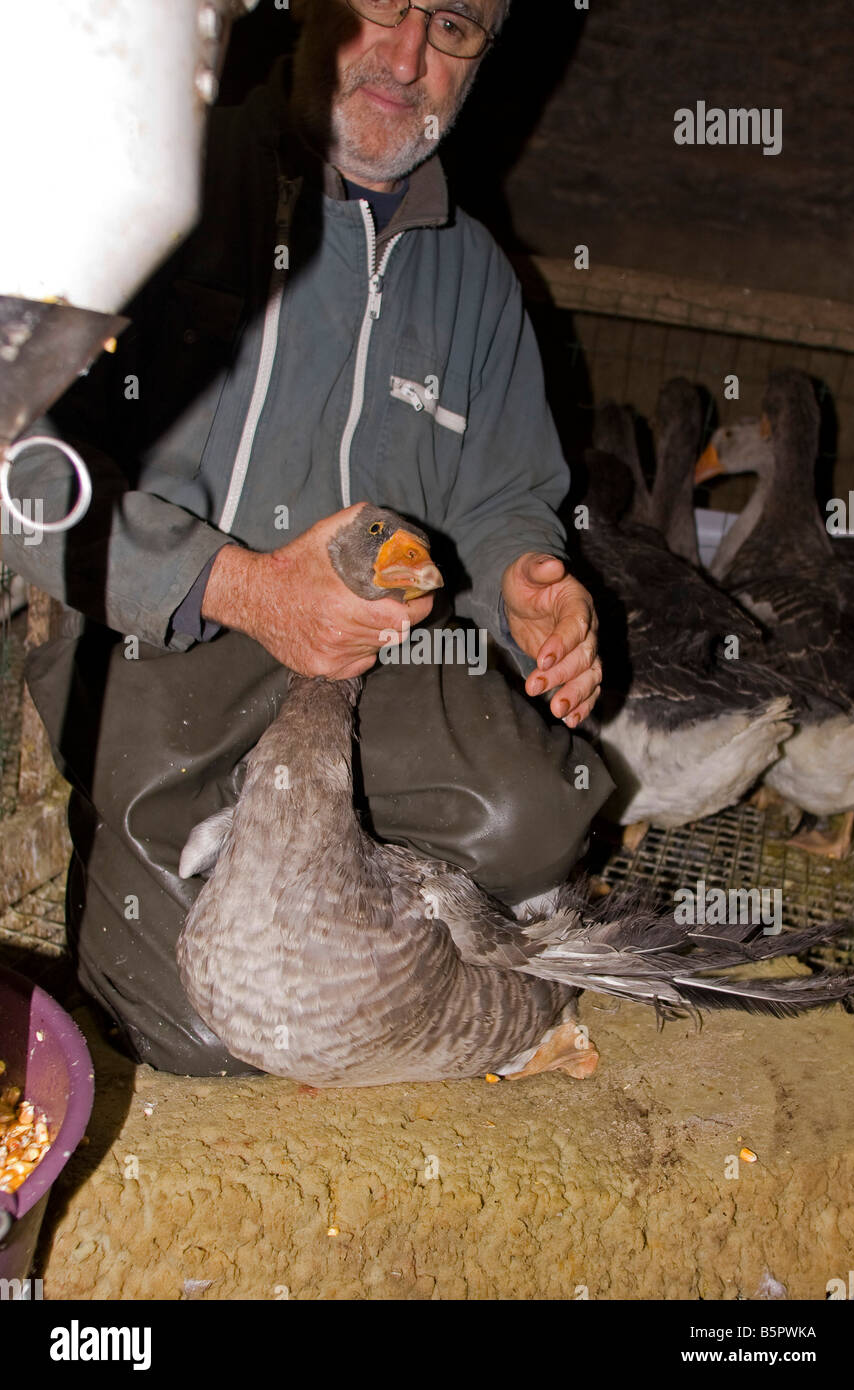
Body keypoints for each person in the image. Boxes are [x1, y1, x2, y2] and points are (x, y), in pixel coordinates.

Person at [0, 0, 612, 1074]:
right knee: (200, 1031)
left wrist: (525, 586)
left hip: (367, 670)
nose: (408, 54)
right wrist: (235, 584)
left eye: (456, 27)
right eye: (382, 1)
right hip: (167, 651)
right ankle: (263, 865)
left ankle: (337, 885)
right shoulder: (153, 188)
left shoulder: (475, 278)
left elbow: (504, 496)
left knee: (536, 811)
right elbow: (21, 473)